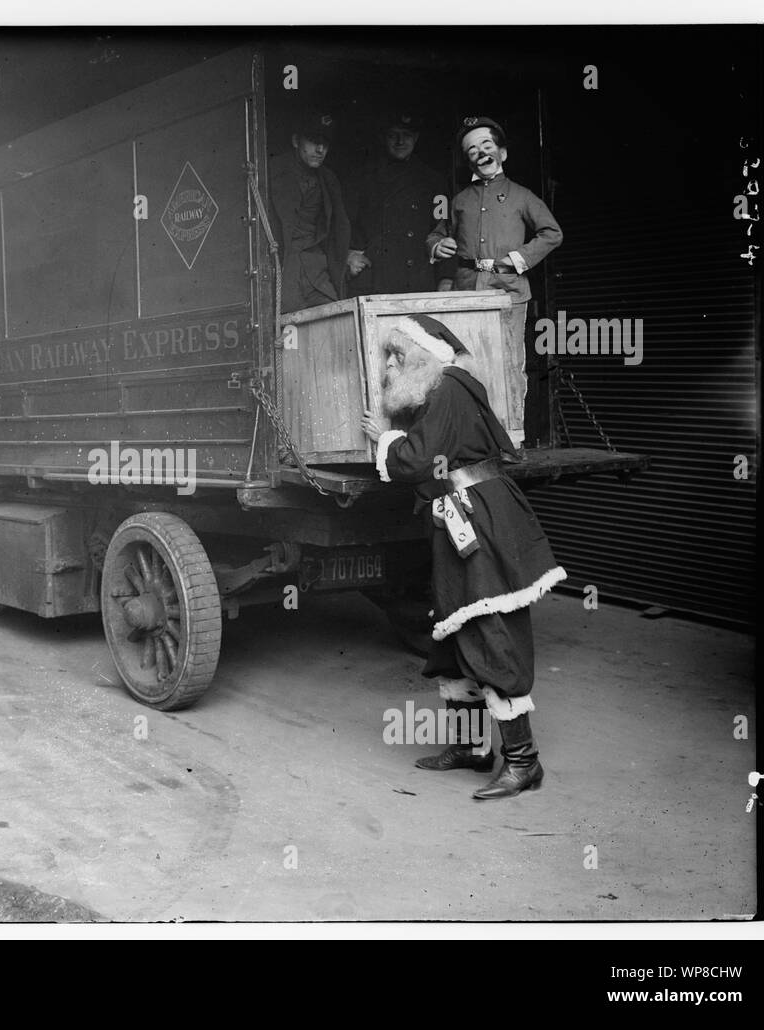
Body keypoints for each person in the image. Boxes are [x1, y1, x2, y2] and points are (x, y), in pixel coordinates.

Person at [359, 313, 566, 800]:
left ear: (428, 356)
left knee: (491, 630)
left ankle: (524, 762)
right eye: (388, 356)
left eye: (398, 357)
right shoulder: (450, 387)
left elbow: (416, 460)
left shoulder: (449, 388)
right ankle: (473, 749)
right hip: (465, 514)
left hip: (480, 519)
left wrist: (384, 438)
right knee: (456, 629)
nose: (389, 366)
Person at [426, 116, 563, 448]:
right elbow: (436, 232)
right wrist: (436, 245)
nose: (480, 153)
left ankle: (511, 436)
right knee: (464, 362)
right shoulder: (458, 200)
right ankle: (470, 438)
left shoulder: (522, 196)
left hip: (508, 291)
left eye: (486, 145)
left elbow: (552, 233)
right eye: (472, 150)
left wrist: (517, 259)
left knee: (509, 363)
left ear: (502, 152)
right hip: (466, 290)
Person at [347, 113, 450, 296]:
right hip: (375, 278)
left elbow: (441, 229)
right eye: (393, 135)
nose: (400, 141)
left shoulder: (434, 181)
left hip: (417, 278)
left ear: (416, 138)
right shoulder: (363, 178)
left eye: (407, 135)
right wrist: (349, 255)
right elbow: (347, 224)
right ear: (383, 138)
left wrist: (445, 277)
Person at [268, 112, 359, 312]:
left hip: (317, 271)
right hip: (283, 270)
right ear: (295, 141)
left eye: (325, 144)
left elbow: (338, 229)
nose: (320, 150)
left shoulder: (328, 179)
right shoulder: (270, 172)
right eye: (313, 142)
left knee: (334, 317)